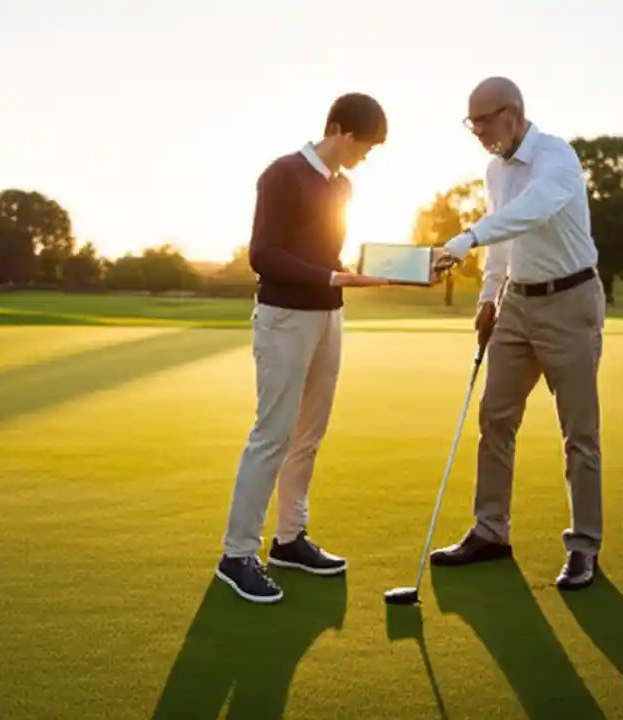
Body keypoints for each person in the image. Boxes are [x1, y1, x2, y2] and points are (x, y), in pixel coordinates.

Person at [431, 77, 605, 590]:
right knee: (495, 418)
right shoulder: (494, 170)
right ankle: (490, 531)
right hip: (517, 305)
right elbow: (505, 238)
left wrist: (466, 238)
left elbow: (533, 211)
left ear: (513, 112)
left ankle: (584, 546)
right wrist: (488, 297)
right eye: (472, 123)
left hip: (570, 301)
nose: (479, 132)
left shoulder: (557, 158)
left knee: (579, 432)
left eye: (485, 121)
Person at [216, 93, 390, 604]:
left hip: (328, 317)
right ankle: (237, 554)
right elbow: (263, 255)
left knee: (309, 434)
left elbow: (327, 250)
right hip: (284, 318)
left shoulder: (344, 187)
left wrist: (383, 272)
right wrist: (332, 275)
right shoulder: (283, 175)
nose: (365, 156)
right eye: (363, 144)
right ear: (338, 129)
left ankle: (289, 540)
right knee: (272, 434)